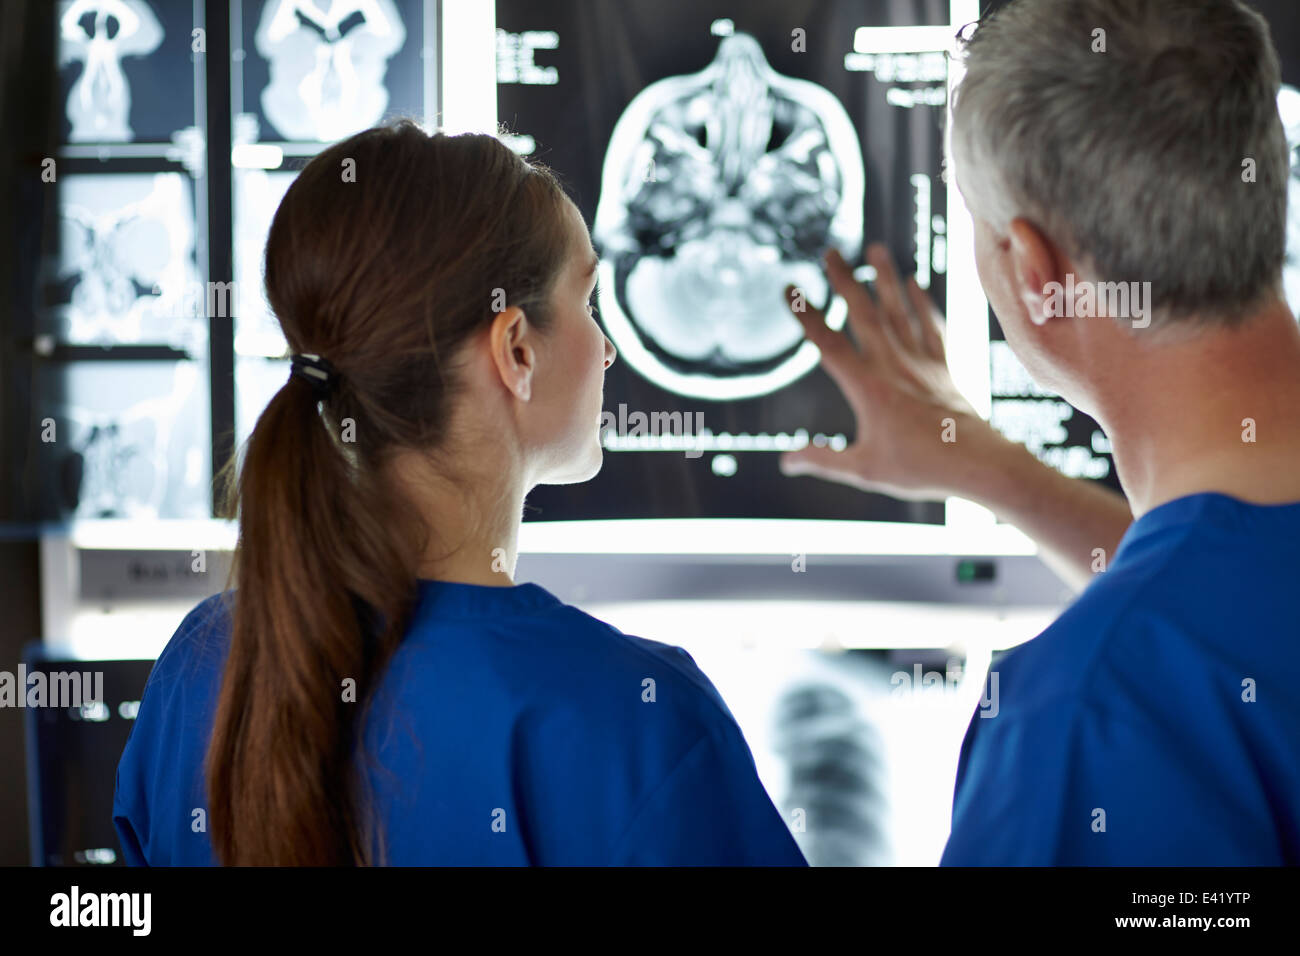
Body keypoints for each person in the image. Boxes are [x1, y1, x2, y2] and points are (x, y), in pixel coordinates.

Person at [112, 122, 806, 866]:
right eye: (589, 300)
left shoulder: (203, 667)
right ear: (516, 350)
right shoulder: (637, 722)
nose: (606, 349)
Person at [780, 0, 1300, 864]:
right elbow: (1239, 598)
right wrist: (992, 468)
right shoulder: (1167, 664)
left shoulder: (1085, 720)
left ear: (1034, 271)